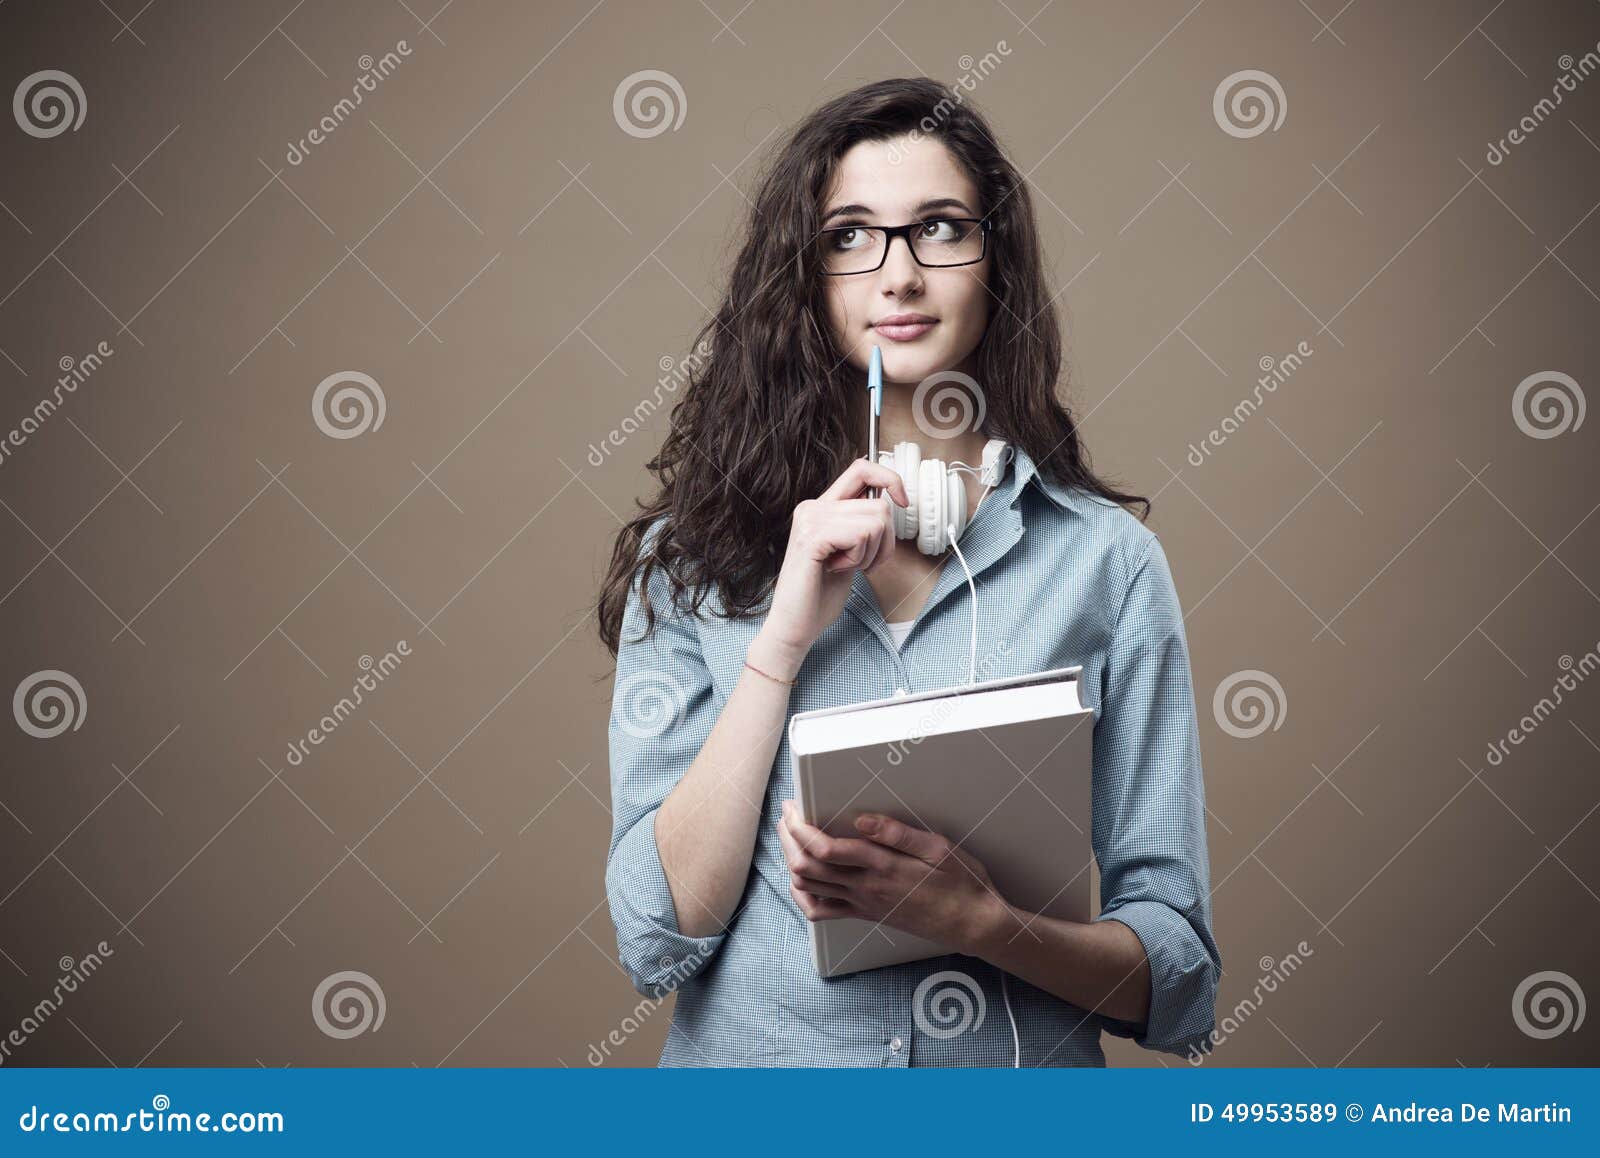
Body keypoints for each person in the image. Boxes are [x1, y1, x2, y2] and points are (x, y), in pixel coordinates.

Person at [597, 77, 1220, 1067]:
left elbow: (1178, 982)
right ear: (803, 276)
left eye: (938, 228)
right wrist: (780, 647)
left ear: (995, 262)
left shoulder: (1105, 564)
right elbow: (657, 938)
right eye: (849, 235)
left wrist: (979, 922)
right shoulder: (689, 563)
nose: (898, 275)